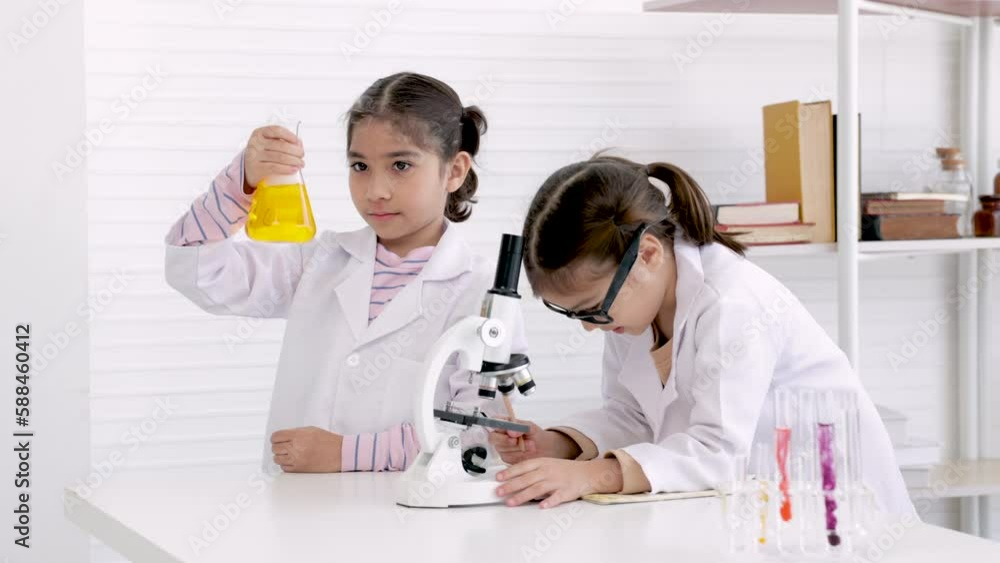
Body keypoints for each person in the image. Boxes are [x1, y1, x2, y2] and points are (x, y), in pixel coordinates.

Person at [490, 155, 912, 514]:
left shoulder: (731, 303)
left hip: (832, 504)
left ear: (648, 254)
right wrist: (557, 445)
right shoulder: (633, 306)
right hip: (753, 509)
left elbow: (719, 452)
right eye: (574, 313)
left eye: (593, 309)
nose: (587, 326)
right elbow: (632, 416)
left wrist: (592, 474)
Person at [164, 72, 524, 473]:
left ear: (454, 171)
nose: (375, 190)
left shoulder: (483, 292)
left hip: (409, 520)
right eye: (360, 166)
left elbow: (476, 435)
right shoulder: (321, 262)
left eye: (401, 165)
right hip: (299, 515)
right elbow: (195, 268)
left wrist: (344, 454)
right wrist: (243, 180)